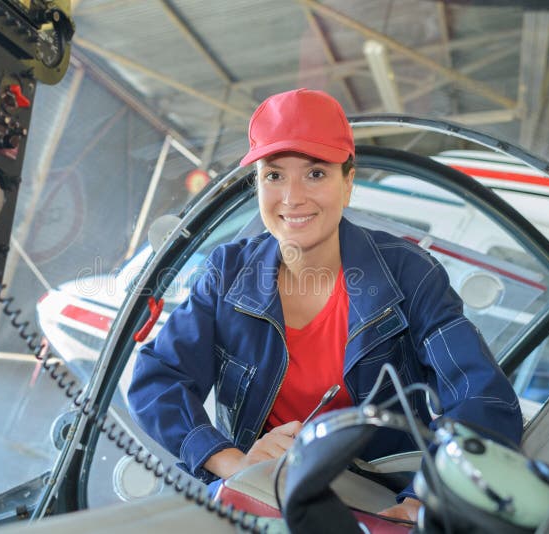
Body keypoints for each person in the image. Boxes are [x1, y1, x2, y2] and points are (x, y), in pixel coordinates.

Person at [128, 88, 523, 521]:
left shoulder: (411, 274)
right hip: (270, 501)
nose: (292, 197)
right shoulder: (227, 274)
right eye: (273, 176)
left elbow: (482, 398)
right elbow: (157, 379)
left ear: (348, 182)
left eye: (315, 174)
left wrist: (420, 501)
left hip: (383, 503)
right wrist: (232, 463)